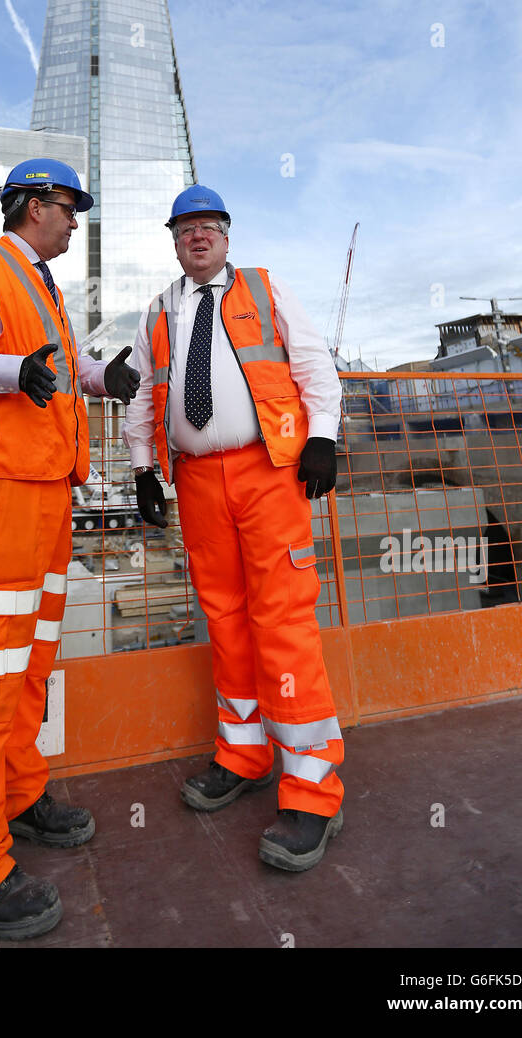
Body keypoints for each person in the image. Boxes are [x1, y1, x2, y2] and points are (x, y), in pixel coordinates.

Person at [0, 157, 139, 939]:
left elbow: (54, 370)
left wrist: (104, 376)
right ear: (34, 204)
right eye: (70, 207)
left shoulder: (43, 286)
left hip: (43, 492)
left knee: (29, 660)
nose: (77, 220)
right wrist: (12, 372)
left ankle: (15, 792)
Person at [122, 185, 344, 872]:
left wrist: (324, 436)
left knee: (281, 617)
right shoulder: (158, 311)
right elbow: (140, 392)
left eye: (209, 225)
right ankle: (244, 755)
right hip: (195, 480)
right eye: (185, 227)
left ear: (226, 234)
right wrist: (140, 468)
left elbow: (311, 364)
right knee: (223, 617)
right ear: (174, 239)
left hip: (268, 472)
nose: (198, 236)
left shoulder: (265, 290)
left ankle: (310, 789)